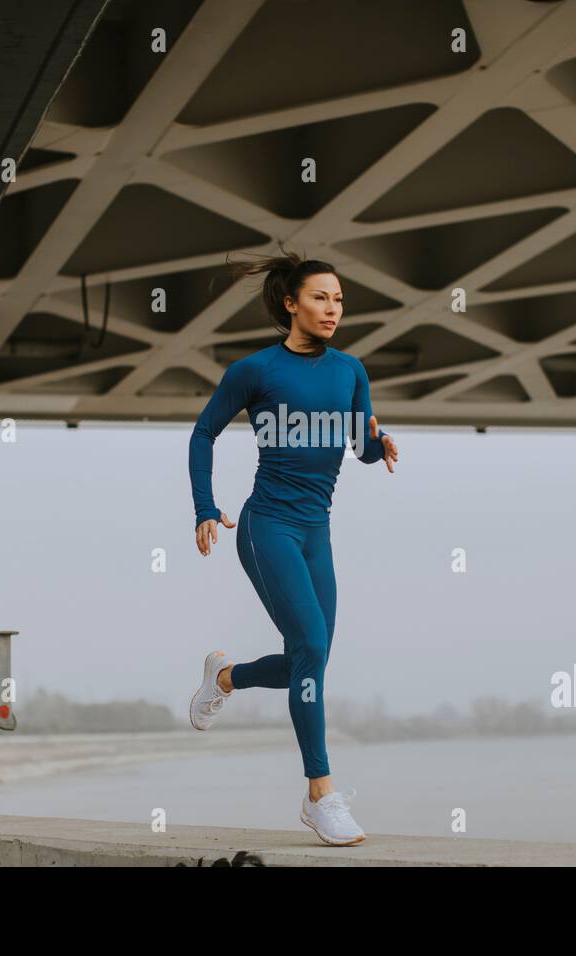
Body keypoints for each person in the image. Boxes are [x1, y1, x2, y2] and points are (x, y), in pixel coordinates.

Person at [187, 247, 399, 846]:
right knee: (309, 643)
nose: (332, 309)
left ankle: (225, 678)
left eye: (338, 300)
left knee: (313, 656)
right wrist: (205, 507)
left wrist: (378, 446)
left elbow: (356, 444)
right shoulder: (255, 371)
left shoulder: (350, 370)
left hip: (316, 529)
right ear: (291, 304)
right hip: (266, 527)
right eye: (320, 298)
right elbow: (204, 432)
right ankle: (320, 794)